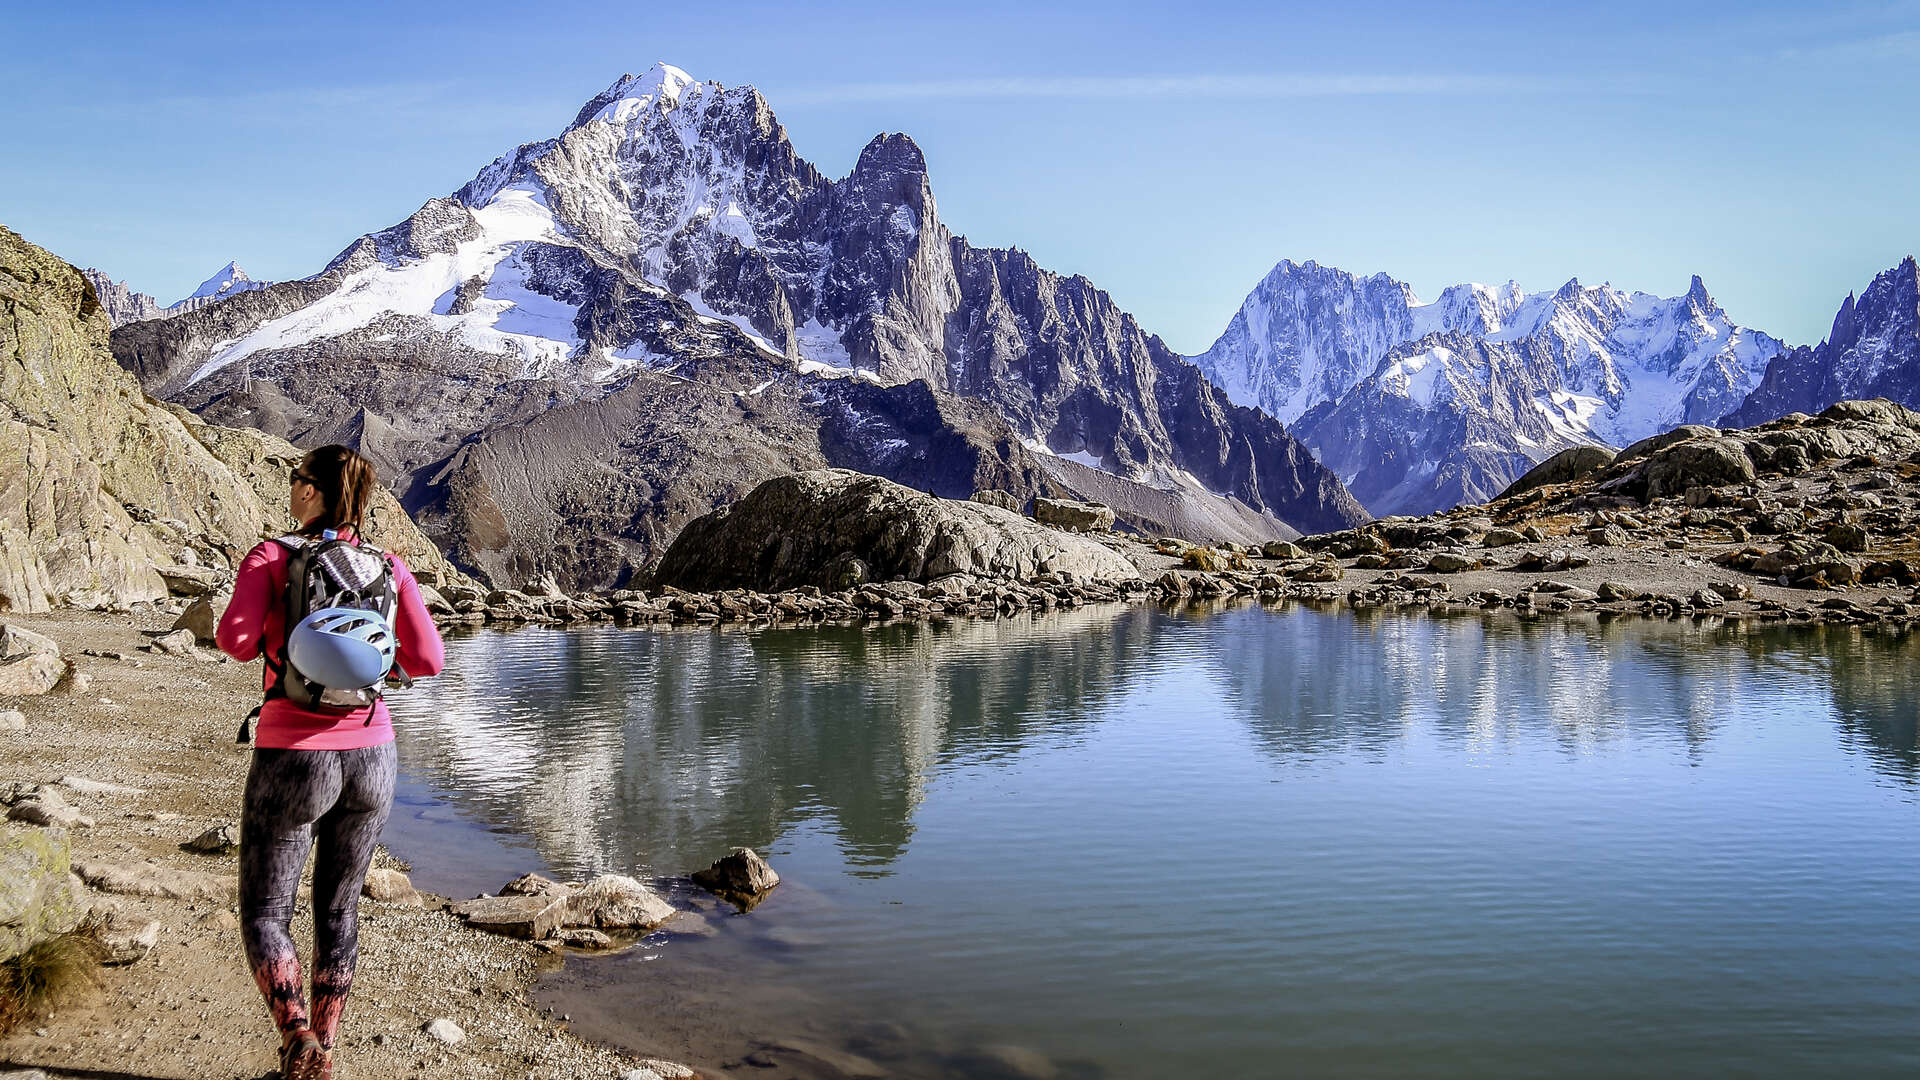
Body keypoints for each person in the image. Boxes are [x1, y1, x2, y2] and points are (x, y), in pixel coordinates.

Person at [216, 445, 445, 1080]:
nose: (290, 489)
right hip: (374, 753)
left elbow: (234, 641)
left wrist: (280, 631)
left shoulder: (274, 554)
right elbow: (428, 661)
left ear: (313, 493)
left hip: (294, 753)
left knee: (267, 911)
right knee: (339, 909)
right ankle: (326, 1044)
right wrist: (375, 660)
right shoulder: (390, 567)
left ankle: (295, 1038)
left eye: (295, 480)